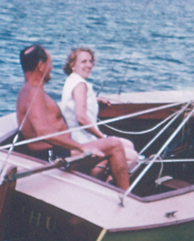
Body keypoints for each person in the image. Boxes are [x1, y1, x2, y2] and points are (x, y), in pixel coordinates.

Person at [15, 44, 130, 190]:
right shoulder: (33, 93)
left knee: (109, 148)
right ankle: (126, 197)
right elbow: (43, 131)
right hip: (54, 156)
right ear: (40, 66)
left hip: (60, 150)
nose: (51, 68)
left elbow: (48, 114)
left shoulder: (30, 91)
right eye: (50, 63)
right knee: (114, 144)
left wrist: (93, 100)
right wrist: (81, 148)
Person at [59, 47, 139, 168]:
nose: (89, 65)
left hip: (78, 138)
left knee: (128, 144)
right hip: (83, 141)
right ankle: (107, 181)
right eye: (83, 61)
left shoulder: (72, 81)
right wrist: (102, 137)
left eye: (90, 61)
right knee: (132, 157)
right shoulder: (80, 84)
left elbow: (75, 101)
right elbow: (81, 117)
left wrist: (94, 100)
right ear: (72, 66)